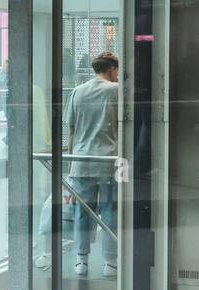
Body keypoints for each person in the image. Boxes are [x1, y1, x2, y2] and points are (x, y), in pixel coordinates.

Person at [66, 51, 120, 278]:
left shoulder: (78, 91)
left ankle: (82, 259)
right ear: (112, 69)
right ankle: (110, 262)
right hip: (108, 162)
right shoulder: (116, 92)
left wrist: (71, 162)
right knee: (110, 211)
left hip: (81, 162)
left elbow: (71, 129)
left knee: (82, 212)